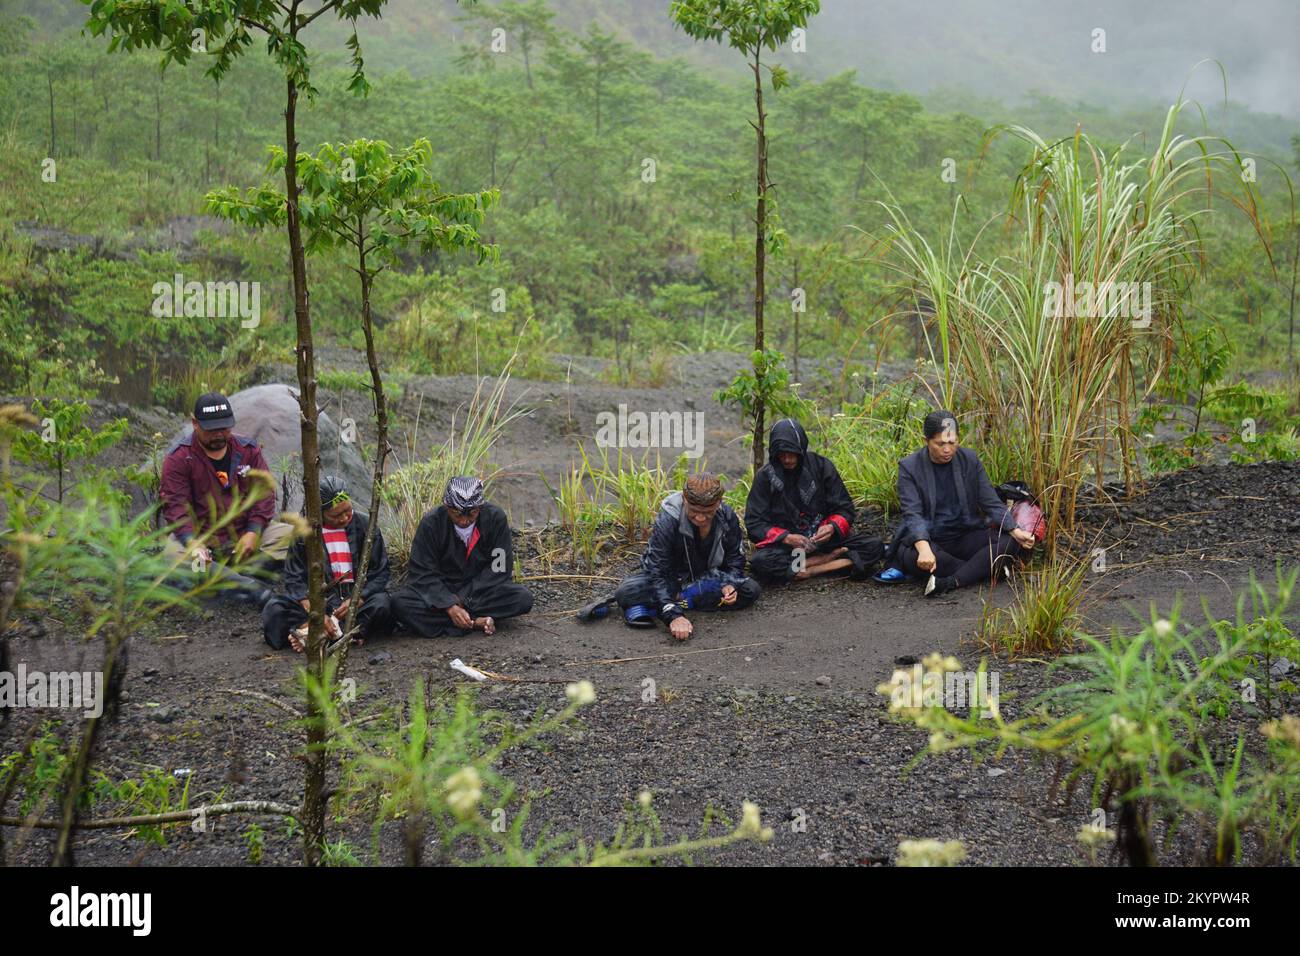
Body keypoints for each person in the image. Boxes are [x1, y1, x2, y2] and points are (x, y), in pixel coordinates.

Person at [579, 473, 760, 641]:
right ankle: (674, 603)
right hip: (672, 577)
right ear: (684, 499)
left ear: (719, 503)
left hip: (708, 577)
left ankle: (657, 606)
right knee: (627, 592)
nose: (701, 518)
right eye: (694, 510)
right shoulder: (668, 519)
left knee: (749, 590)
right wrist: (674, 616)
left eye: (708, 512)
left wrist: (730, 583)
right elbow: (656, 569)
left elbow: (735, 559)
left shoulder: (727, 516)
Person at [160, 392, 293, 603]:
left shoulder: (249, 451)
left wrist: (253, 531)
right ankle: (248, 586)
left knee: (294, 537)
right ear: (195, 423)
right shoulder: (179, 459)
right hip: (201, 538)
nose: (219, 434)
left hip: (244, 535)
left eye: (224, 428)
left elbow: (265, 495)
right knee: (175, 557)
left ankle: (239, 571)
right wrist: (191, 541)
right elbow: (175, 507)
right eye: (211, 429)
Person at [886, 409, 1036, 596]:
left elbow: (990, 501)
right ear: (926, 440)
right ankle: (984, 570)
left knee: (1010, 541)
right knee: (917, 558)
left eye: (952, 442)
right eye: (940, 444)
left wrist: (1015, 529)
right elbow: (912, 513)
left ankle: (950, 581)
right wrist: (924, 550)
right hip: (930, 540)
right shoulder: (909, 467)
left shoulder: (969, 460)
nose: (947, 449)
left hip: (964, 535)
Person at [262, 476, 393, 652]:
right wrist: (315, 611)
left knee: (382, 604)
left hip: (353, 604)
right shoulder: (304, 532)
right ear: (319, 513)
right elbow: (294, 578)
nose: (345, 517)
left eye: (347, 510)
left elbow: (380, 572)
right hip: (320, 602)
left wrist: (358, 598)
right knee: (275, 607)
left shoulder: (365, 525)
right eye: (336, 515)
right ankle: (332, 631)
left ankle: (314, 634)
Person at [391, 476, 534, 637]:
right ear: (447, 507)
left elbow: (499, 568)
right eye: (457, 514)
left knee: (522, 598)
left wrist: (463, 599)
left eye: (472, 514)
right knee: (399, 603)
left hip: (478, 591)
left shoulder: (495, 519)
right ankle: (475, 623)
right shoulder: (430, 524)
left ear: (480, 508)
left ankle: (454, 622)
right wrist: (449, 604)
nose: (465, 521)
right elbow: (422, 573)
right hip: (443, 590)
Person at [744, 418, 883, 583]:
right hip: (789, 548)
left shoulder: (821, 467)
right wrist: (787, 538)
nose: (788, 460)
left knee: (874, 545)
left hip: (823, 543)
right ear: (775, 454)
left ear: (801, 450)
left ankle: (811, 568)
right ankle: (828, 562)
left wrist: (831, 527)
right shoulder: (765, 477)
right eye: (782, 455)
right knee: (761, 563)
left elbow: (845, 509)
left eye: (792, 454)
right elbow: (754, 523)